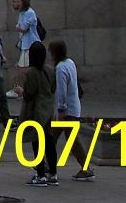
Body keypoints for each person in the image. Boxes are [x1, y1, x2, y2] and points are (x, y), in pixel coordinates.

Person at [48, 38, 95, 182]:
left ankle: (86, 169)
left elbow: (61, 90)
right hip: (73, 108)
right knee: (53, 137)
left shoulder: (61, 68)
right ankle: (44, 163)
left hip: (66, 111)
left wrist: (61, 109)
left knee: (70, 141)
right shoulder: (70, 63)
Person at [19, 42, 58, 187]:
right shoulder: (51, 70)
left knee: (37, 141)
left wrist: (21, 92)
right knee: (49, 141)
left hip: (36, 110)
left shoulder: (31, 72)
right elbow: (53, 88)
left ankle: (40, 174)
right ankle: (53, 174)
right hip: (48, 108)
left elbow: (29, 93)